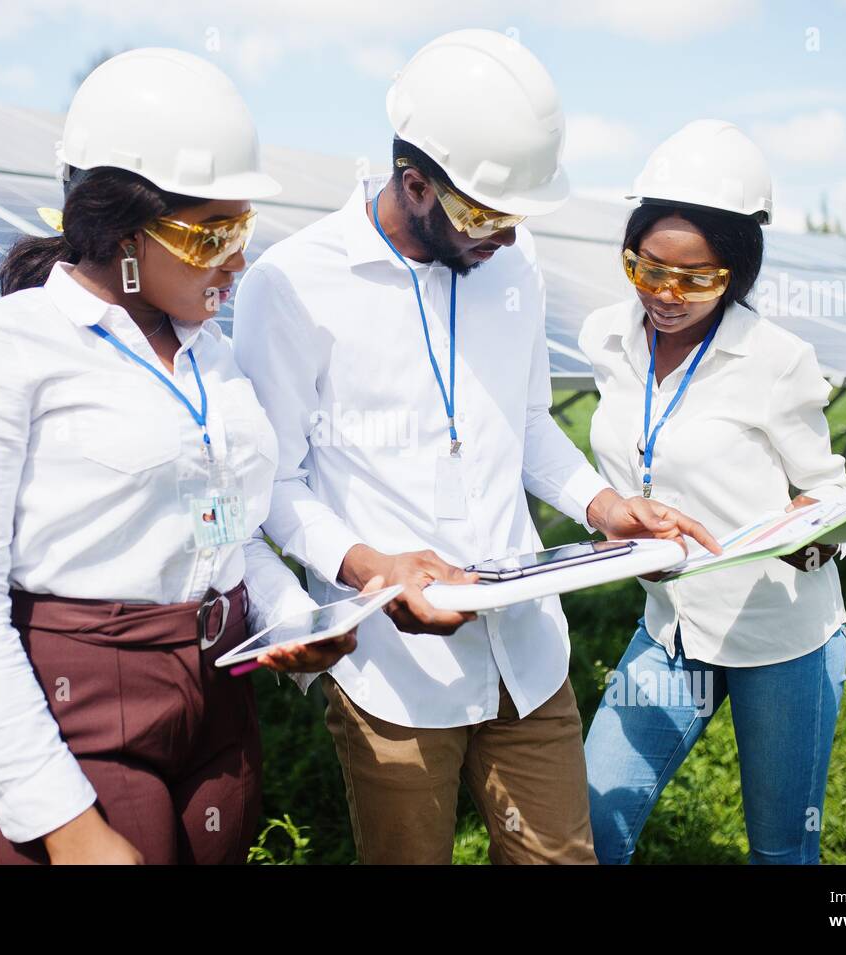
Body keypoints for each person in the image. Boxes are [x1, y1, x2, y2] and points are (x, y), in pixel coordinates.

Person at [232, 30, 720, 865]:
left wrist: (606, 506)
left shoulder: (513, 264)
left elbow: (526, 428)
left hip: (526, 654)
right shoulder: (291, 285)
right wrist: (370, 567)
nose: (503, 236)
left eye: (516, 217)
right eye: (485, 215)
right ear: (414, 184)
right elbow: (272, 483)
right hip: (391, 673)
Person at [0, 49, 371, 865]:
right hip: (76, 705)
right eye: (212, 234)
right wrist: (67, 820)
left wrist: (290, 618)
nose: (239, 259)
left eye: (244, 229)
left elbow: (223, 526)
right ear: (121, 227)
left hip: (216, 701)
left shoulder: (209, 357)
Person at [580, 120, 846, 864]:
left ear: (736, 272)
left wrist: (822, 524)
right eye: (646, 267)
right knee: (591, 825)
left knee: (780, 851)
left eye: (695, 278)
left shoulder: (776, 360)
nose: (664, 294)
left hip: (781, 635)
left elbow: (828, 488)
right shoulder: (606, 339)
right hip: (671, 629)